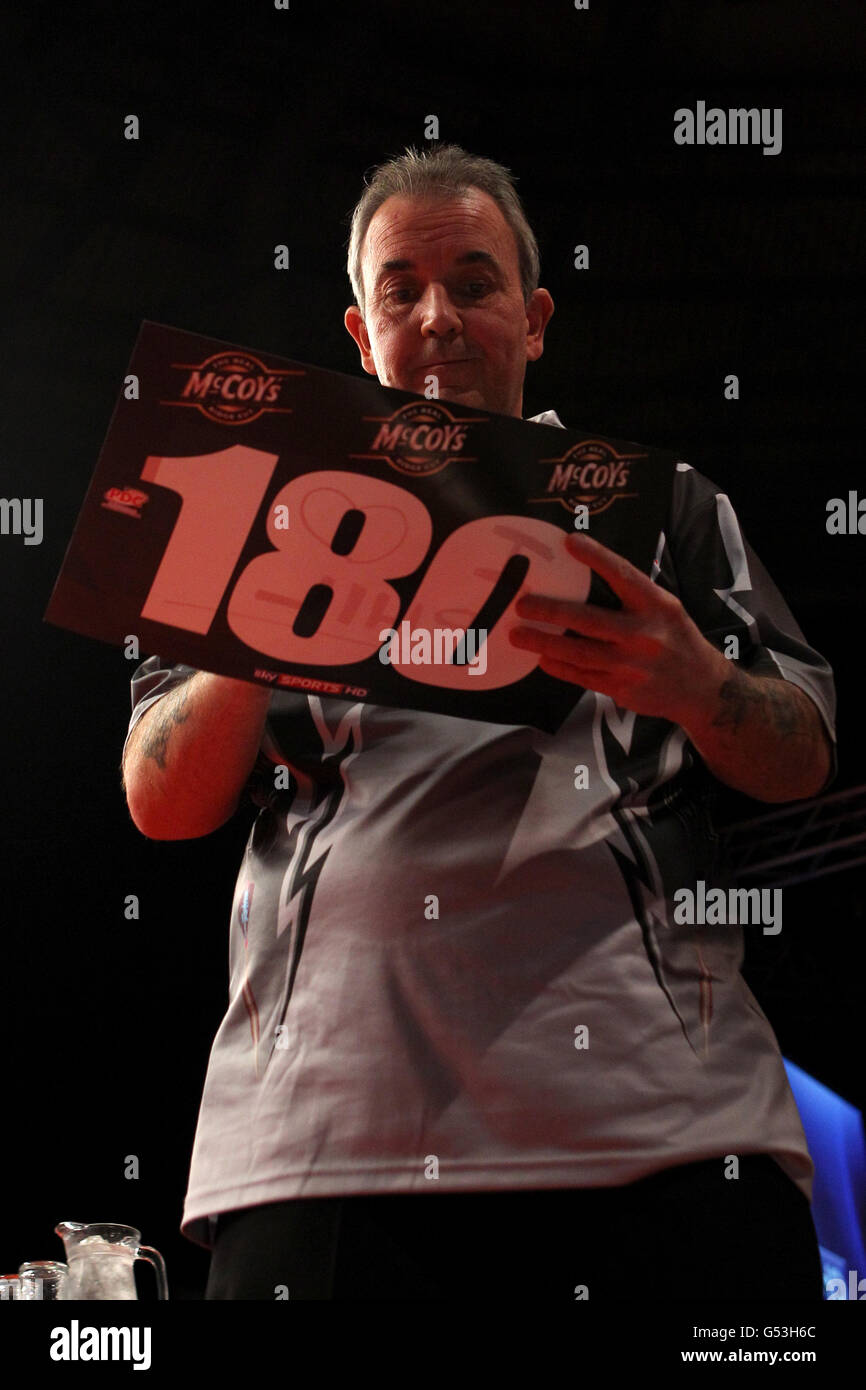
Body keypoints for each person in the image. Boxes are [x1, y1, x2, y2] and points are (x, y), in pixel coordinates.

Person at [121, 144, 836, 1301]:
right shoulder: (246, 506)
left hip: (663, 1125)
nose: (438, 316)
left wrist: (696, 684)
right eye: (399, 289)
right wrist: (253, 620)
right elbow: (161, 800)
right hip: (319, 1145)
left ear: (534, 316)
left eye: (474, 280)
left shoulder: (667, 506)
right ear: (360, 332)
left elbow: (800, 754)